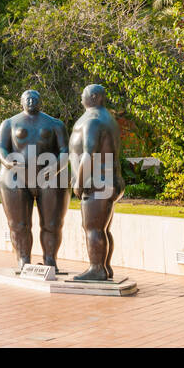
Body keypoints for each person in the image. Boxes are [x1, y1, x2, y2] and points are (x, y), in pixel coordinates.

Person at [0, 89, 69, 270]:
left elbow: (65, 151)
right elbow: (0, 148)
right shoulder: (9, 123)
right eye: (27, 99)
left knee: (53, 224)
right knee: (19, 225)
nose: (31, 102)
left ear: (40, 101)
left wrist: (55, 167)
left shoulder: (54, 124)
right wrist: (7, 161)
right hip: (15, 177)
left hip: (50, 177)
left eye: (34, 99)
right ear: (21, 102)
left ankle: (50, 260)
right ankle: (23, 260)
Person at [68, 83, 124, 281]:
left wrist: (79, 183)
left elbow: (88, 154)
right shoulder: (107, 117)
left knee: (93, 228)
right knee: (103, 228)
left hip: (96, 183)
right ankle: (105, 267)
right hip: (108, 180)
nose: (81, 98)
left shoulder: (93, 120)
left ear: (93, 97)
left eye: (83, 94)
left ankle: (97, 268)